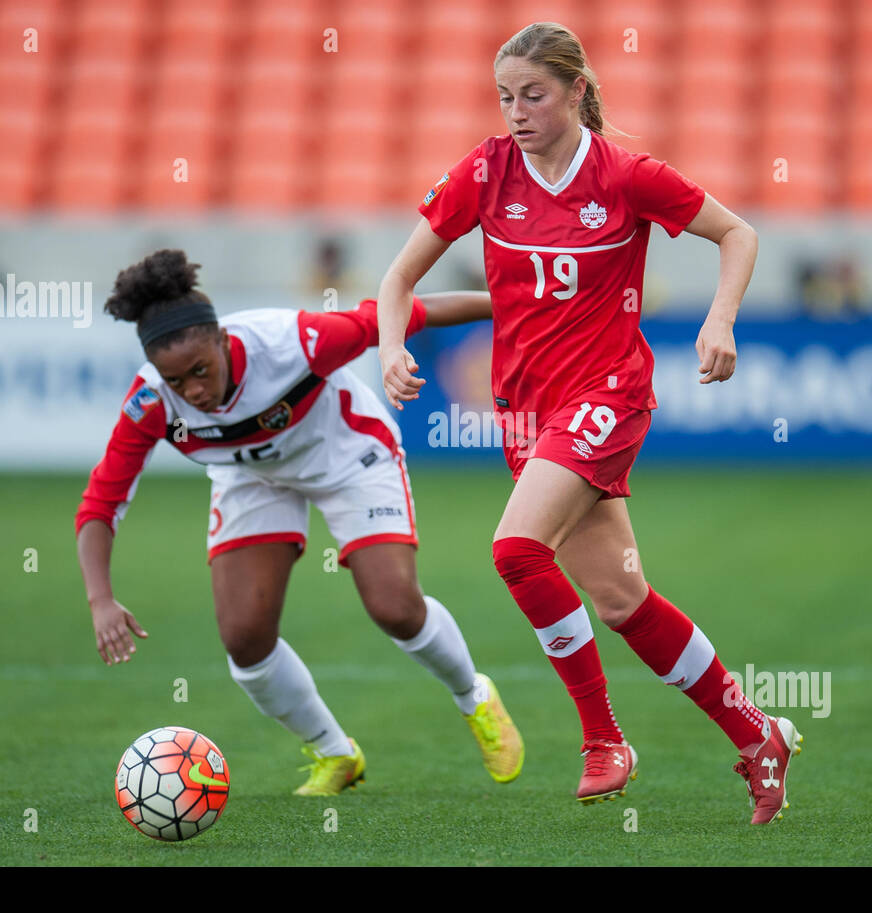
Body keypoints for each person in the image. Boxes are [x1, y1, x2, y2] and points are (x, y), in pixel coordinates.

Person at [376, 22, 802, 824]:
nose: (516, 112)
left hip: (607, 396)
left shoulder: (627, 174)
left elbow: (737, 232)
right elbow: (399, 276)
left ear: (576, 90)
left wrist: (721, 321)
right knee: (620, 598)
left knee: (514, 550)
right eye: (504, 96)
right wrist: (391, 347)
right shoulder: (483, 170)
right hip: (526, 411)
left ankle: (604, 739)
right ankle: (757, 734)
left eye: (532, 94)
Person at [75, 249, 523, 794]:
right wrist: (101, 598)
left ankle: (472, 697)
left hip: (345, 454)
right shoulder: (151, 401)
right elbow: (101, 503)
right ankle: (336, 753)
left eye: (201, 370)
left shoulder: (294, 342)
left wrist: (512, 304)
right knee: (244, 637)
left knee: (394, 606)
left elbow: (405, 311)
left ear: (222, 340)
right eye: (177, 380)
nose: (193, 390)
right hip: (251, 476)